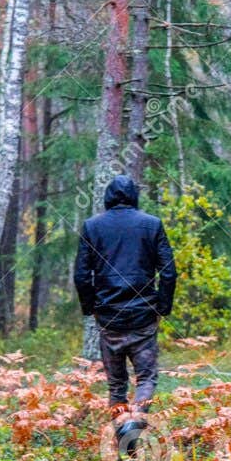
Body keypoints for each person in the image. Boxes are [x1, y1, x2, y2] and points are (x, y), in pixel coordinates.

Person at [73, 176, 178, 439]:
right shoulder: (152, 224)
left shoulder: (92, 226)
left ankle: (124, 433)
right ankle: (136, 421)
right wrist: (162, 308)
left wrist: (91, 308)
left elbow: (82, 276)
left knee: (116, 384)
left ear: (108, 196)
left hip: (109, 317)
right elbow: (168, 273)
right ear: (134, 195)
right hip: (143, 315)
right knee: (146, 379)